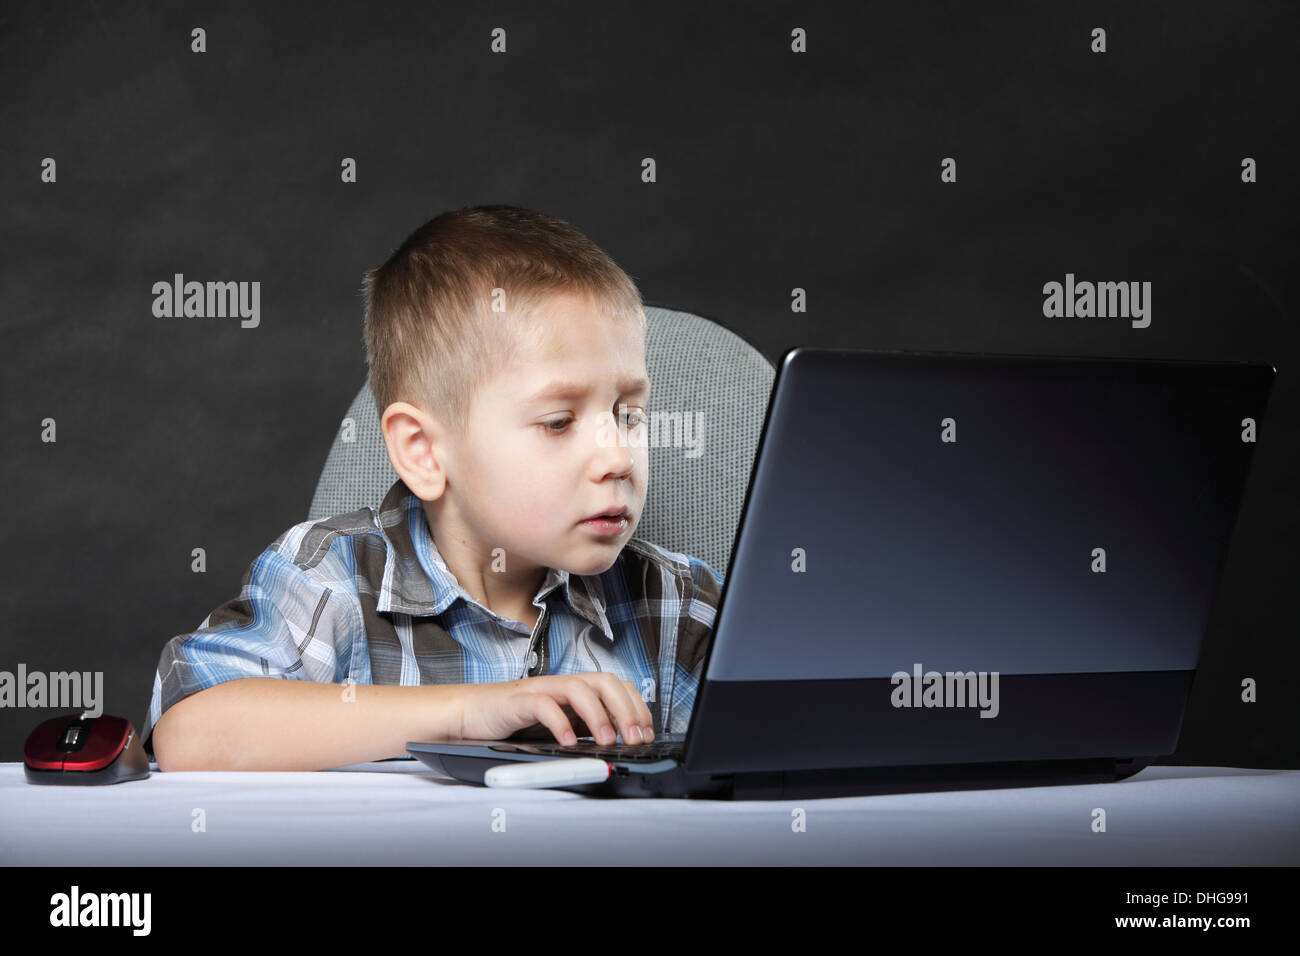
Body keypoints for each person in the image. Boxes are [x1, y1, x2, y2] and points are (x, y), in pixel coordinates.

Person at [143, 204, 725, 771]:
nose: (618, 457)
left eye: (629, 413)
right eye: (558, 422)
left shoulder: (675, 604)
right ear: (422, 452)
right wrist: (467, 712)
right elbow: (191, 730)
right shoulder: (332, 578)